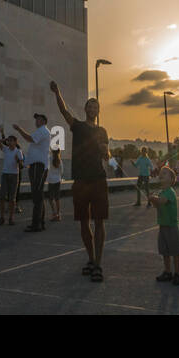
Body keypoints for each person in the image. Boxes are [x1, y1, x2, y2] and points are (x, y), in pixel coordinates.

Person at [51, 80, 109, 282]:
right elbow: (63, 111)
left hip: (99, 179)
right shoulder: (77, 126)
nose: (93, 109)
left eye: (96, 106)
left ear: (98, 110)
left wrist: (106, 152)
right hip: (81, 181)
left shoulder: (102, 131)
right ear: (85, 109)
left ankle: (98, 264)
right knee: (84, 222)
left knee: (99, 221)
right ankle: (91, 260)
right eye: (90, 106)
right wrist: (57, 92)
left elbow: (107, 155)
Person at [14, 114, 53, 232]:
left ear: (44, 121)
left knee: (37, 196)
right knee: (39, 195)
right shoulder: (41, 131)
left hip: (38, 166)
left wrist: (19, 129)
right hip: (37, 166)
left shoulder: (43, 130)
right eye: (36, 119)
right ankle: (40, 223)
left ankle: (36, 224)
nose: (36, 120)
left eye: (38, 119)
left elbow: (30, 138)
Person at [147, 162, 179, 285]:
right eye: (161, 173)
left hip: (172, 227)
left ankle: (177, 274)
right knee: (165, 252)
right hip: (162, 226)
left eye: (165, 173)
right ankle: (168, 272)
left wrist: (154, 199)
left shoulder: (170, 192)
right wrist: (152, 200)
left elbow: (162, 201)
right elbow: (158, 205)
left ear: (172, 179)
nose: (161, 174)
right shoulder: (161, 192)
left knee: (175, 252)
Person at [0, 134, 25, 226]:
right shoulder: (6, 149)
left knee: (12, 198)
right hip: (5, 174)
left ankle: (11, 218)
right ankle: (2, 217)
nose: (10, 142)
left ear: (16, 142)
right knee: (2, 197)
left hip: (14, 175)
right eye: (9, 141)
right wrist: (5, 139)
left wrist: (18, 161)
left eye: (12, 140)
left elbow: (22, 165)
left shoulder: (18, 151)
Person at [47, 149, 63, 222]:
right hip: (58, 181)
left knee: (50, 199)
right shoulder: (60, 160)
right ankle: (58, 214)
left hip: (51, 181)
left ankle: (54, 213)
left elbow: (46, 168)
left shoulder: (49, 158)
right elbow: (61, 171)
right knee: (57, 198)